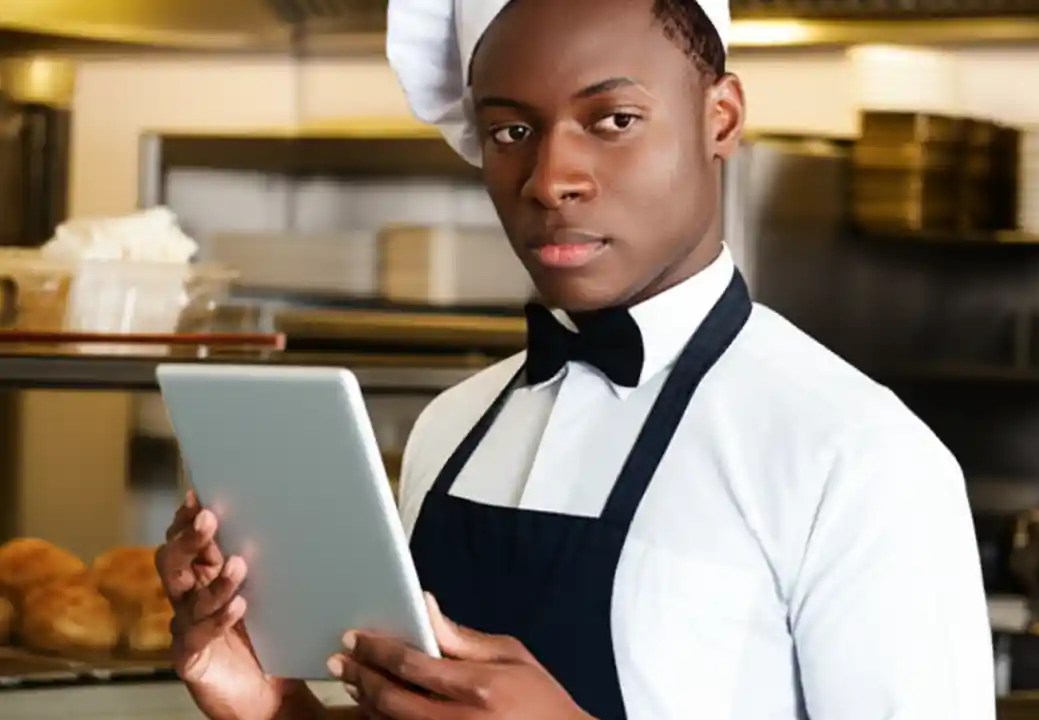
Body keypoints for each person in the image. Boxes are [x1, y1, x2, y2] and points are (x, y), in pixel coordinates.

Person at [155, 0, 996, 718]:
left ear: (722, 117)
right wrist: (272, 705)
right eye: (511, 129)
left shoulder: (857, 455)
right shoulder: (451, 430)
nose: (551, 176)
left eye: (614, 120)